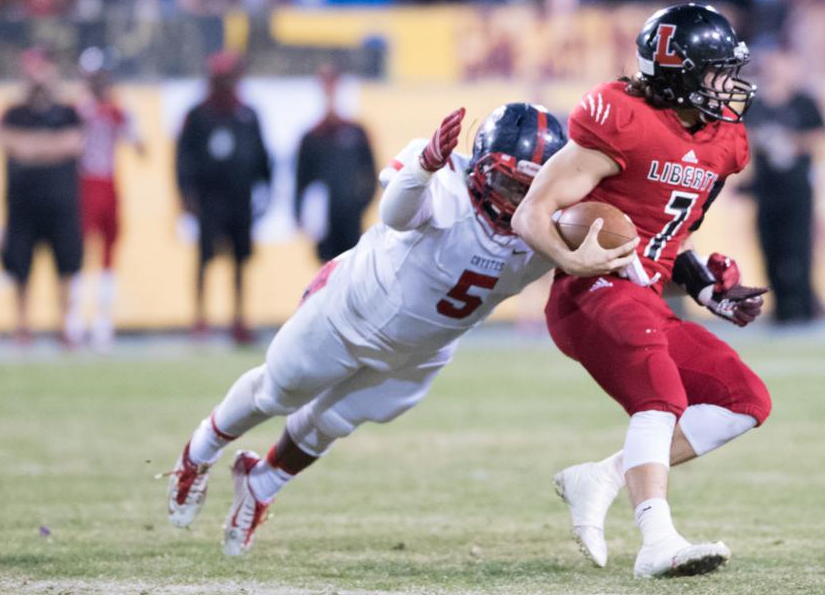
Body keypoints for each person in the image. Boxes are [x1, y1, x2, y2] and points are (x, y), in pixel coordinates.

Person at [164, 103, 567, 557]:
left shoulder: (555, 225)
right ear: (479, 167)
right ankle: (198, 452)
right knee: (274, 394)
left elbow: (607, 241)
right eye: (507, 182)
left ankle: (262, 484)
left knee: (331, 422)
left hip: (421, 351)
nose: (515, 200)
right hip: (350, 311)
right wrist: (425, 165)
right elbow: (396, 213)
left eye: (529, 189)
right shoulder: (444, 181)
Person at [512, 4, 772, 579]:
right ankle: (657, 539)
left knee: (745, 400)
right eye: (714, 72)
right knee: (659, 398)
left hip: (645, 295)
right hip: (593, 293)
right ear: (680, 72)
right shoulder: (621, 118)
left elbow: (666, 238)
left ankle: (603, 475)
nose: (726, 85)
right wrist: (572, 259)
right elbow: (532, 214)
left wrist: (707, 289)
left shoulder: (723, 141)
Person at [175, 51, 271, 344]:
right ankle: (200, 317)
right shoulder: (197, 114)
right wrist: (186, 194)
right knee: (204, 258)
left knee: (240, 260)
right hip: (209, 198)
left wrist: (265, 189)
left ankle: (239, 318)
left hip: (239, 197)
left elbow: (262, 157)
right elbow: (183, 158)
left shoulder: (247, 114)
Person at [0, 47, 84, 346]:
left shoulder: (68, 112)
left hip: (61, 203)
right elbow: (13, 145)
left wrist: (33, 146)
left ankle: (65, 325)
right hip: (22, 204)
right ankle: (22, 325)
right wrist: (50, 145)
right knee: (20, 266)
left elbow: (73, 144)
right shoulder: (13, 112)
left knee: (66, 266)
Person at [745, 44, 825, 324]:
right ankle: (780, 309)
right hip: (766, 189)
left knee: (798, 248)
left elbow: (821, 140)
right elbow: (741, 140)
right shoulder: (755, 105)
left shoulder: (804, 102)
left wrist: (791, 143)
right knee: (770, 247)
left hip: (796, 189)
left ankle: (803, 307)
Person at [74, 47, 146, 351]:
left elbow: (140, 145)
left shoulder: (115, 110)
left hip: (107, 184)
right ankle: (75, 320)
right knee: (77, 254)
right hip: (83, 184)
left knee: (107, 254)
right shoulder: (78, 110)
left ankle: (102, 321)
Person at [295, 66, 378, 262]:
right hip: (323, 222)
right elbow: (301, 180)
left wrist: (358, 205)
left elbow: (370, 173)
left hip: (350, 220)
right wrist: (301, 214)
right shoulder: (311, 137)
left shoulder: (356, 132)